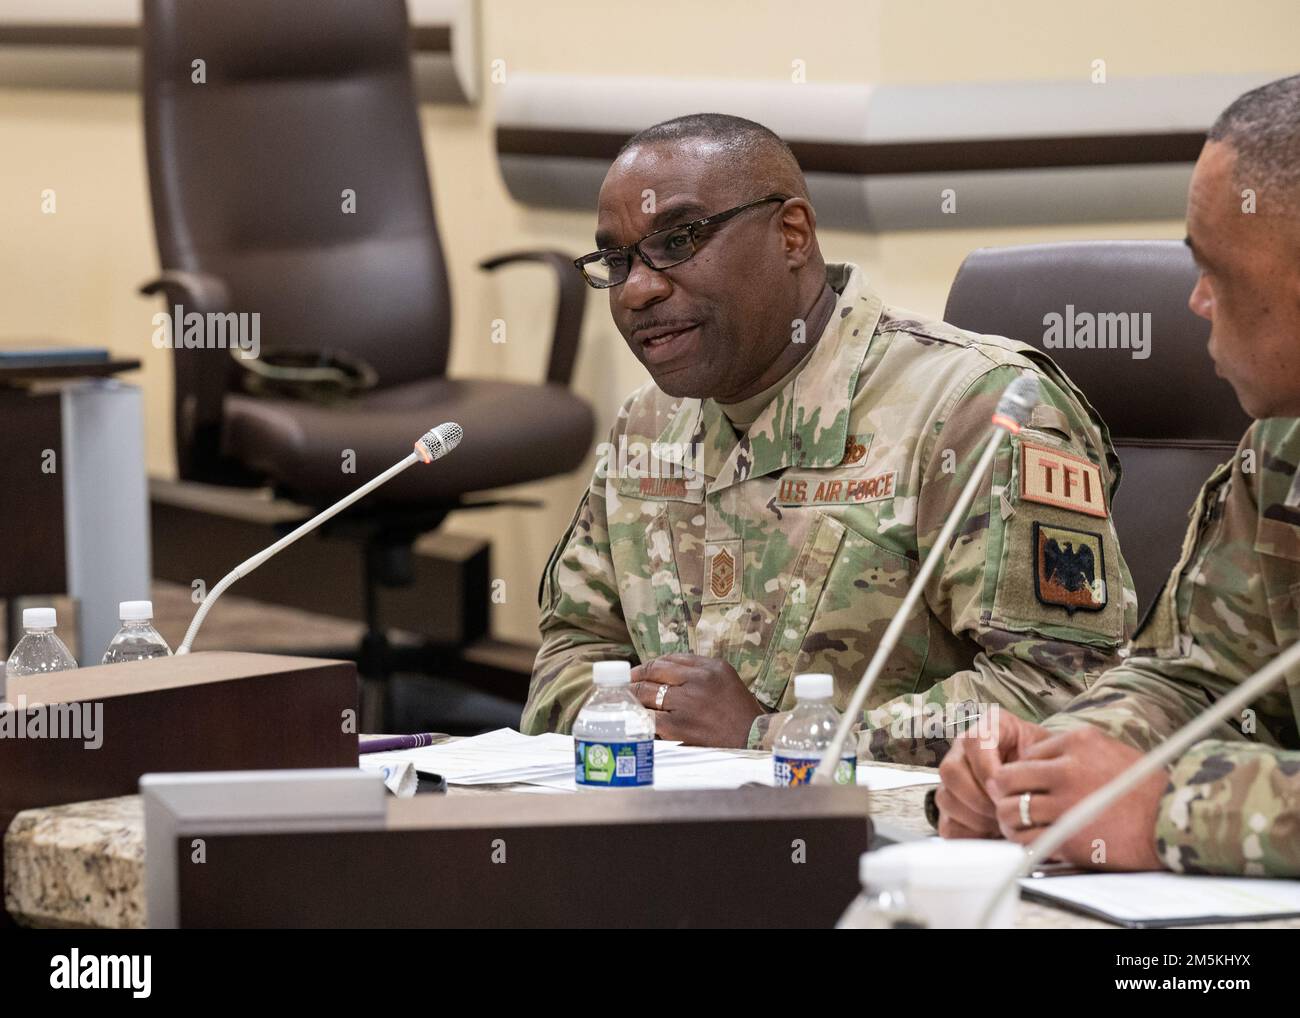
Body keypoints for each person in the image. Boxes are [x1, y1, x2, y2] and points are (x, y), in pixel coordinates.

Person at [522, 113, 1136, 763]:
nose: (639, 288)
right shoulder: (644, 426)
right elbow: (573, 648)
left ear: (791, 234)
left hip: (903, 844)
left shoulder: (974, 410)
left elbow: (1065, 691)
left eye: (678, 241)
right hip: (664, 827)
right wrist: (634, 727)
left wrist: (771, 738)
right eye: (617, 261)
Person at [935, 75, 1300, 877]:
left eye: (1220, 273)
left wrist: (1171, 809)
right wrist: (1058, 760)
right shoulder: (1280, 451)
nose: (1198, 302)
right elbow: (1197, 678)